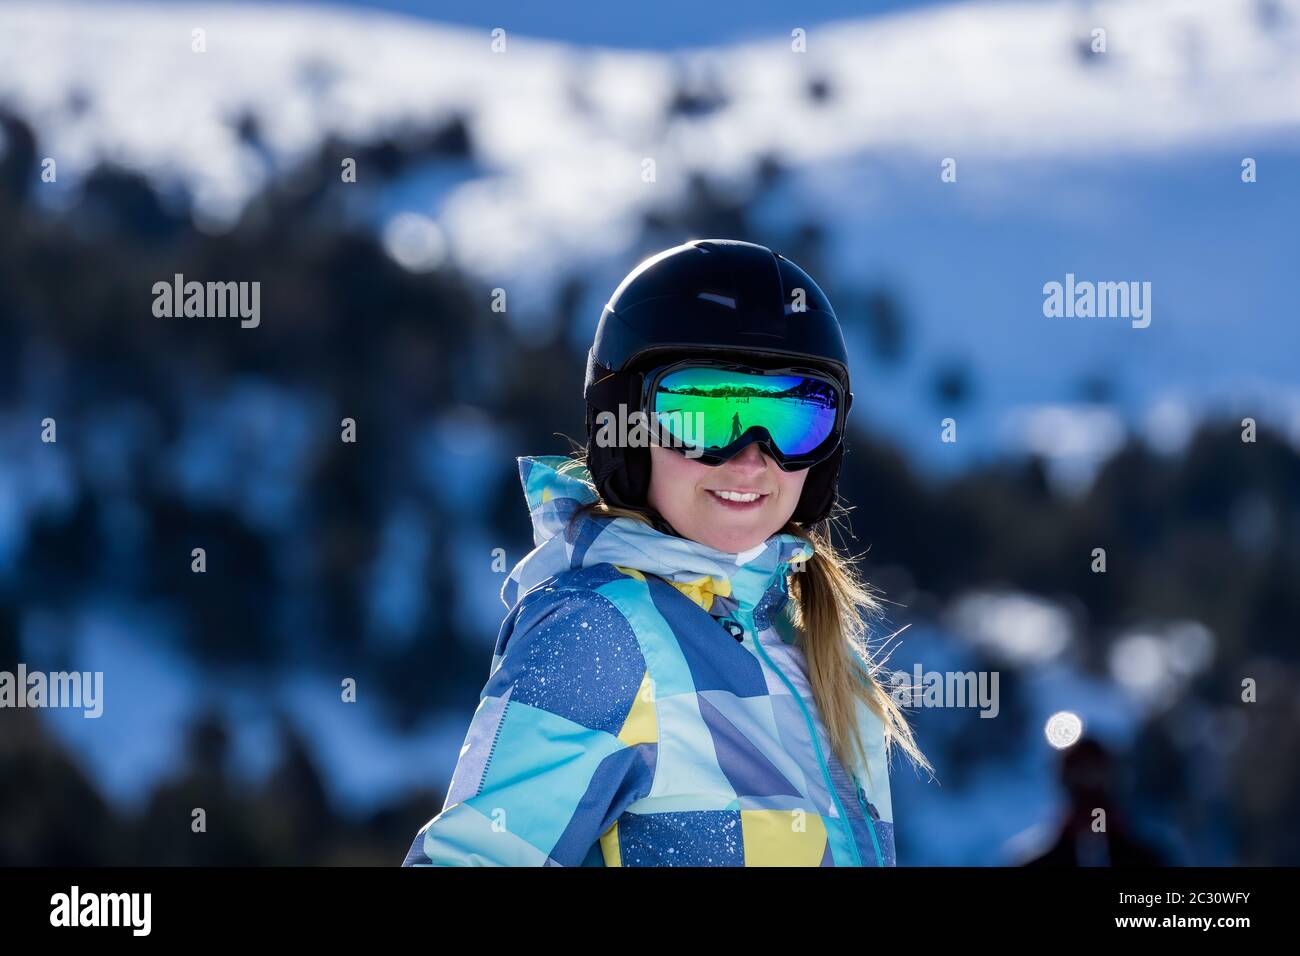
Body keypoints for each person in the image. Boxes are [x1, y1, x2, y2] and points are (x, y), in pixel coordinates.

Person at [403, 238, 930, 867]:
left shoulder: (809, 645)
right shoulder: (602, 635)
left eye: (793, 417)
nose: (750, 457)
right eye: (703, 412)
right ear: (625, 427)